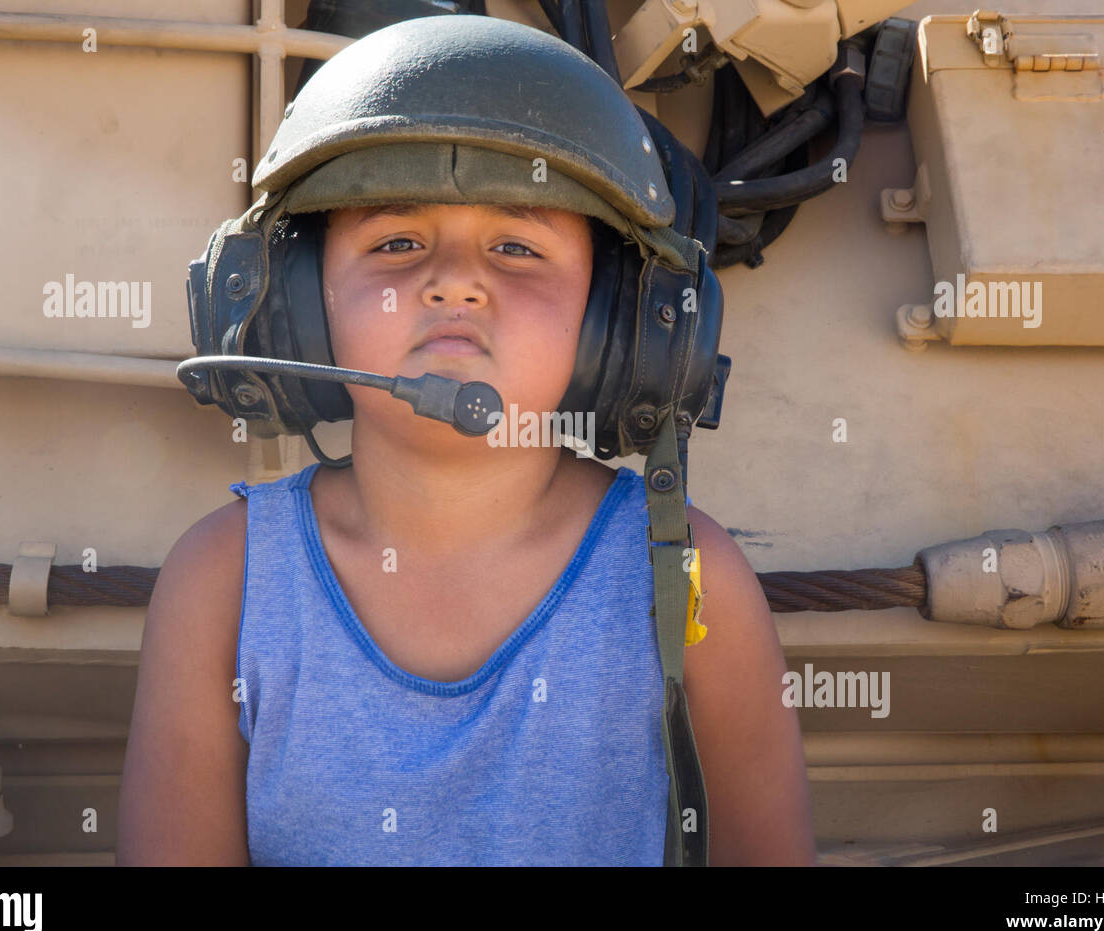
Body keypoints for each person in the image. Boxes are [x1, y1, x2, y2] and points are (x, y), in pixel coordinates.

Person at [117, 13, 814, 866]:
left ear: (618, 325)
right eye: (396, 242)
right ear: (298, 304)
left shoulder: (683, 576)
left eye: (518, 246)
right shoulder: (223, 582)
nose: (454, 283)